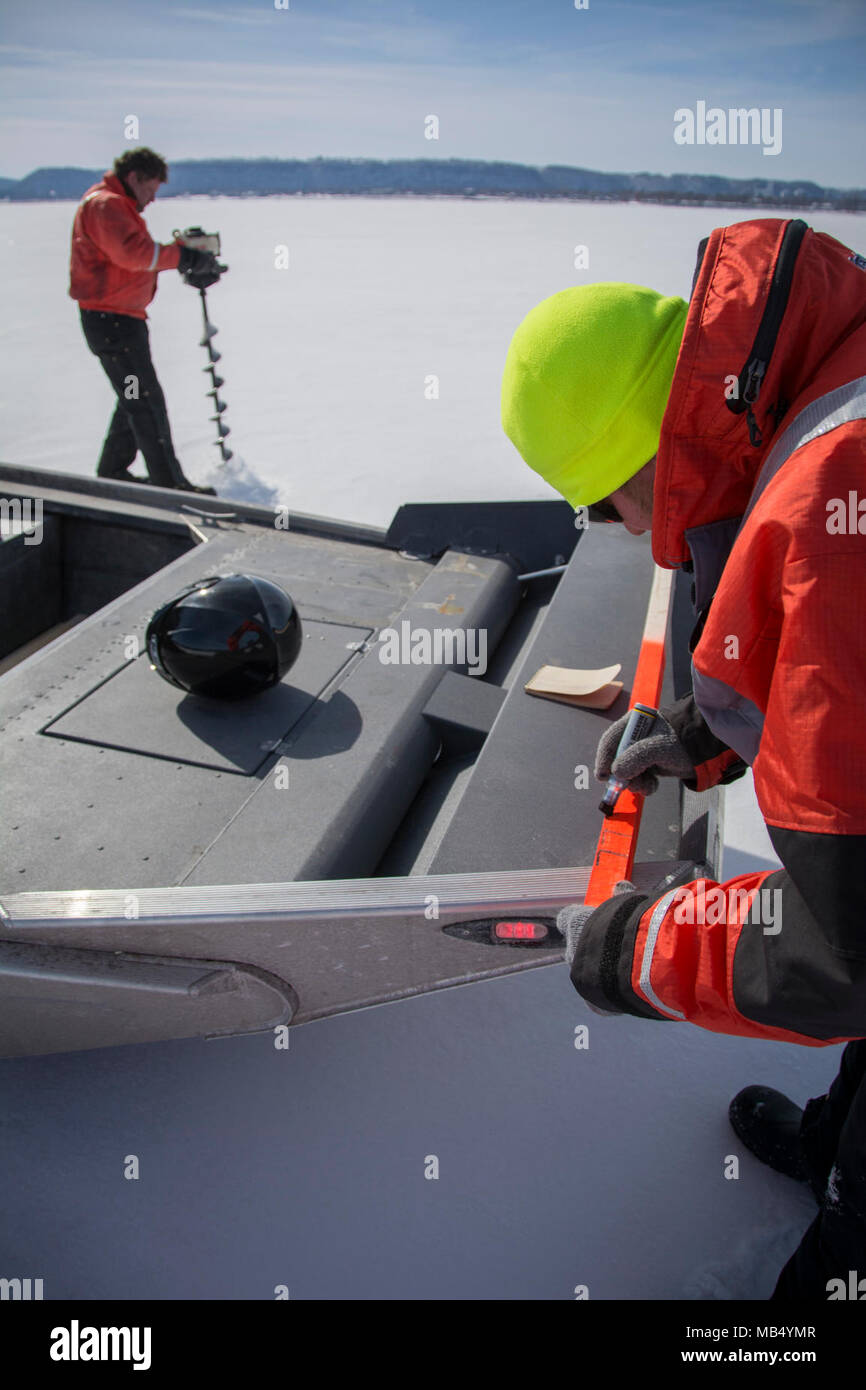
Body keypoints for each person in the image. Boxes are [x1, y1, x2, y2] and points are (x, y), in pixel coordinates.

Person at [500, 217, 866, 1299]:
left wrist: (633, 951)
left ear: (640, 456)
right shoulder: (821, 397)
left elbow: (845, 953)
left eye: (597, 500)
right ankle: (834, 1139)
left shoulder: (821, 512)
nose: (616, 531)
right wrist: (706, 730)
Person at [69, 146, 223, 493]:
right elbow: (135, 254)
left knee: (133, 395)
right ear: (134, 177)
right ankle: (170, 487)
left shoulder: (113, 205)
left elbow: (134, 256)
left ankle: (113, 472)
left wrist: (180, 256)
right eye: (150, 189)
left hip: (117, 318)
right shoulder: (106, 205)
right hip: (112, 321)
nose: (152, 200)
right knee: (146, 401)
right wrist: (183, 256)